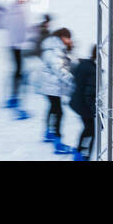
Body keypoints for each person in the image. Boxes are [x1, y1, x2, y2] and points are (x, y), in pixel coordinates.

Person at [38, 27, 74, 155]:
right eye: (68, 38)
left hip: (49, 85)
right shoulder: (55, 50)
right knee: (59, 112)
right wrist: (72, 81)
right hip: (52, 85)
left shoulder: (52, 47)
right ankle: (57, 142)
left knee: (53, 108)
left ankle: (48, 132)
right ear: (62, 37)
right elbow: (59, 69)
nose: (69, 40)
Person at [69, 47, 97, 161]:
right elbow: (89, 93)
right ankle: (83, 155)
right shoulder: (93, 70)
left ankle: (80, 152)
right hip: (84, 104)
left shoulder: (84, 64)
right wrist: (94, 111)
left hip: (77, 101)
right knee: (91, 129)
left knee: (89, 128)